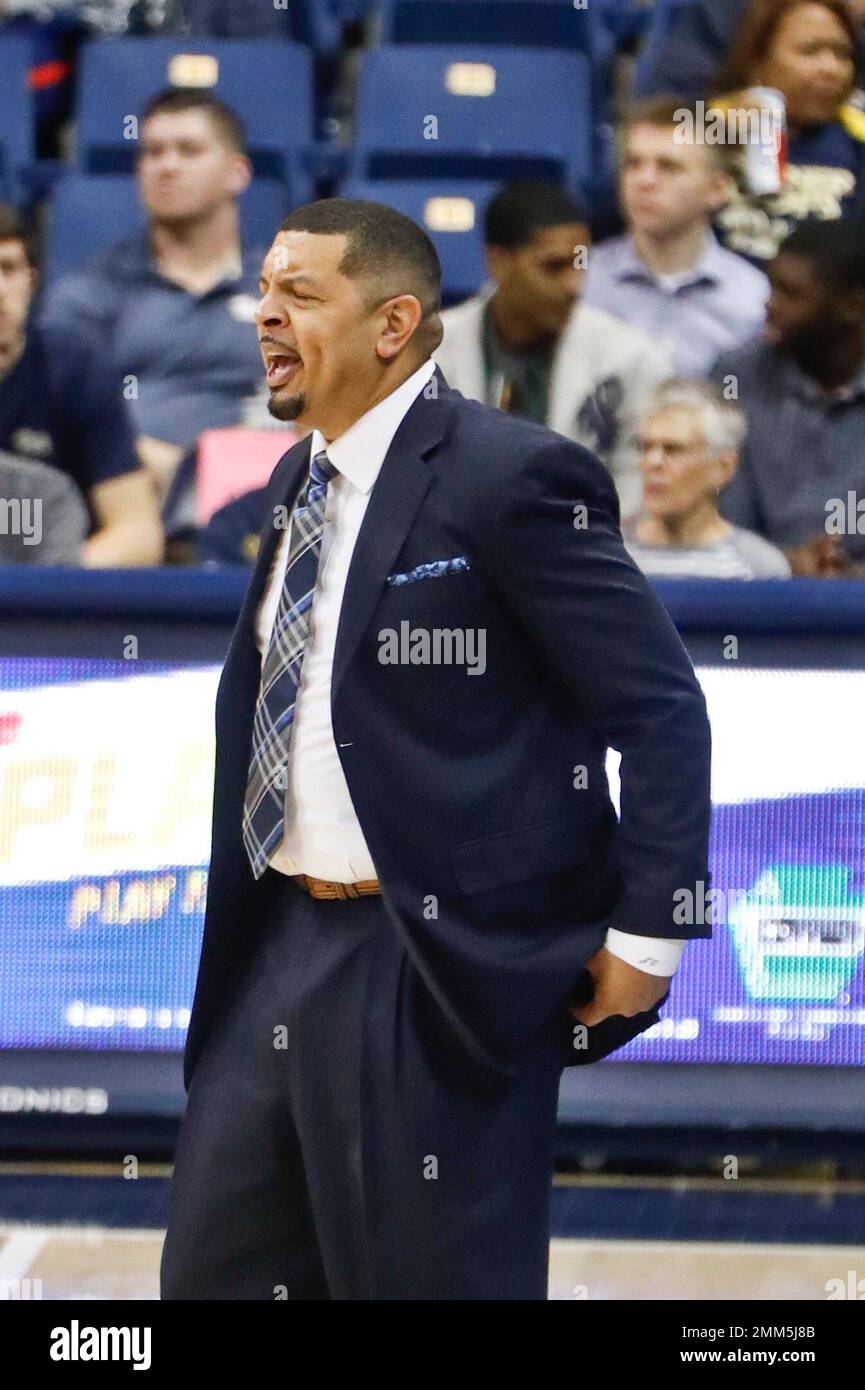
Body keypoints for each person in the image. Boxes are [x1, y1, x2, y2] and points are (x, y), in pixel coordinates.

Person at [159, 198, 713, 1301]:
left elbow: (657, 709)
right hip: (277, 941)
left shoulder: (512, 478)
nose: (265, 315)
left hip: (426, 958)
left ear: (393, 321)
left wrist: (650, 934)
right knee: (213, 1277)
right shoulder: (293, 483)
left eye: (299, 295)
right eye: (263, 291)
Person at [40, 88, 264, 504]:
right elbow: (60, 410)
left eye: (188, 150)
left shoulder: (281, 289)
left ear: (238, 173)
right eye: (153, 152)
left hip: (261, 497)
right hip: (130, 494)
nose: (167, 166)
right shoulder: (91, 291)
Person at [432, 181, 673, 522]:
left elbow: (641, 482)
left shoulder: (634, 358)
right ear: (498, 263)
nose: (574, 285)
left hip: (589, 554)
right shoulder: (430, 353)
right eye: (554, 267)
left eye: (580, 264)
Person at [0, 204, 162, 565]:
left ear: (31, 281)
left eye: (8, 269)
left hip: (49, 602)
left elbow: (138, 534)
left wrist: (42, 587)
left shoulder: (75, 367)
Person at [713, 218, 865, 574]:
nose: (769, 305)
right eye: (771, 287)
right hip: (759, 599)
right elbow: (721, 526)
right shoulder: (736, 378)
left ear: (853, 306)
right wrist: (784, 563)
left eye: (790, 294)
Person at [583, 98, 768, 376]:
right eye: (633, 164)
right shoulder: (583, 284)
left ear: (717, 188)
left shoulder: (754, 301)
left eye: (668, 167)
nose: (645, 181)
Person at [713, 0, 865, 263]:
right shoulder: (702, 132)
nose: (831, 69)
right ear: (757, 62)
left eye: (842, 54)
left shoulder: (857, 143)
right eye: (810, 51)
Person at [625, 379, 791, 577]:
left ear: (723, 467)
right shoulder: (606, 556)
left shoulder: (758, 568)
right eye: (645, 447)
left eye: (673, 449)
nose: (651, 462)